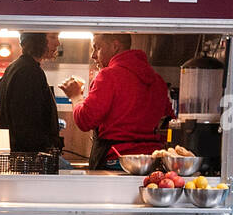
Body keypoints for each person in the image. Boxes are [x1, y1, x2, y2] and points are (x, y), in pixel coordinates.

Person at [60, 33, 172, 170]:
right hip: (151, 163)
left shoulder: (108, 76)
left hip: (117, 162)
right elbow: (169, 123)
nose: (93, 55)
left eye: (97, 48)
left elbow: (85, 119)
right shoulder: (157, 81)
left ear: (115, 46)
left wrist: (75, 96)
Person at [0, 31, 62, 155]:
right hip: (28, 160)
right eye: (53, 37)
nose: (58, 43)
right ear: (37, 39)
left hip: (16, 156)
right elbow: (28, 126)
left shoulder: (14, 68)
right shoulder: (30, 72)